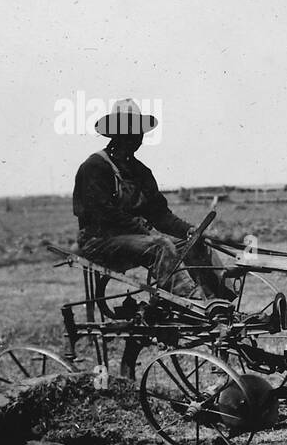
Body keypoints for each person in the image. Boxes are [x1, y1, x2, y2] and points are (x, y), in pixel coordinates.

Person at [73, 98, 236, 309]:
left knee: (195, 243)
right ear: (118, 134)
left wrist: (189, 230)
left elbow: (160, 215)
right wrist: (141, 229)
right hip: (99, 241)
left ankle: (220, 303)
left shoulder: (141, 171)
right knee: (161, 245)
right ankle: (191, 304)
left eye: (139, 131)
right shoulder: (94, 167)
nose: (137, 137)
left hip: (135, 239)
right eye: (131, 131)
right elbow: (102, 213)